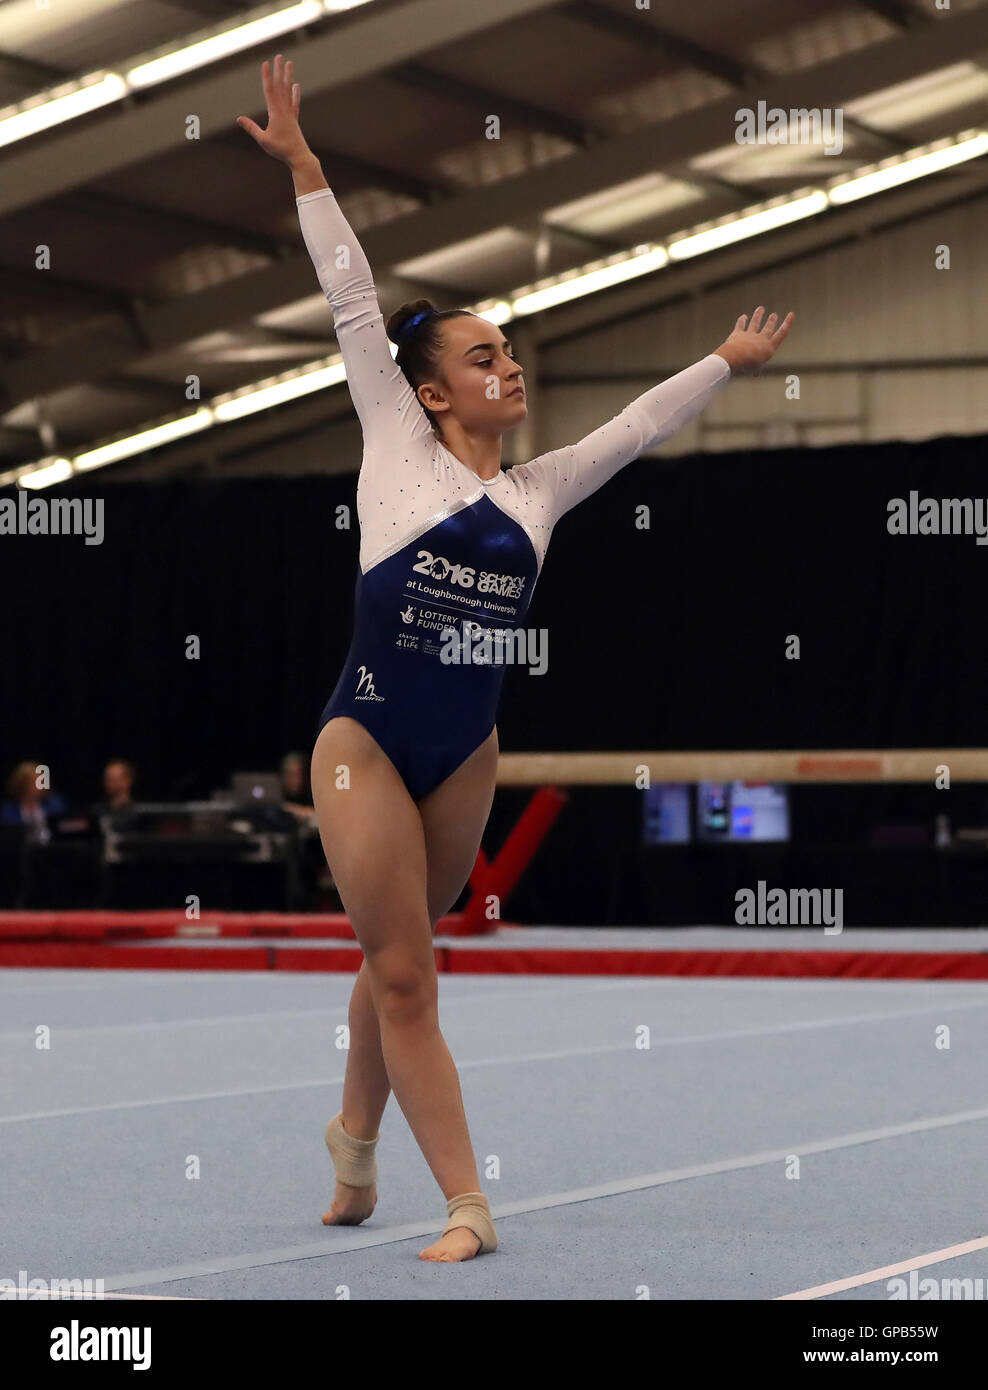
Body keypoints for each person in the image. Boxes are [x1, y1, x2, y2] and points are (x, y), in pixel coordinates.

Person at [237, 55, 794, 1262]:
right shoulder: (395, 441)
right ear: (431, 394)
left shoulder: (538, 493)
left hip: (463, 752)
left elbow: (637, 425)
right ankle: (466, 1202)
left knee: (402, 953)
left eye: (510, 351)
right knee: (406, 979)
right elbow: (350, 300)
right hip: (366, 740)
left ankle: (350, 1143)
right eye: (482, 356)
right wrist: (310, 170)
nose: (508, 366)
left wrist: (724, 365)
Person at [1, 760, 67, 844]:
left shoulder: (55, 804)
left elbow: (63, 828)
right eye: (37, 782)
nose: (42, 785)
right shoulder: (7, 810)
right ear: (23, 783)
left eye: (43, 781)